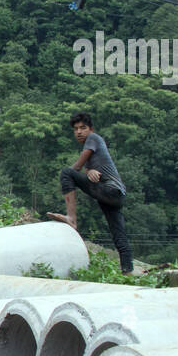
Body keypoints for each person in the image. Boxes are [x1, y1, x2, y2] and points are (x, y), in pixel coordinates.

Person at [47, 112, 134, 274]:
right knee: (119, 235)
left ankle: (71, 218)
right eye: (76, 129)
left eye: (83, 128)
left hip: (111, 190)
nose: (79, 132)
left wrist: (74, 173)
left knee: (66, 173)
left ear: (91, 129)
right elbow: (89, 173)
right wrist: (90, 172)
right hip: (114, 196)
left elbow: (77, 168)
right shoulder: (92, 152)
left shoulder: (93, 139)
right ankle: (128, 271)